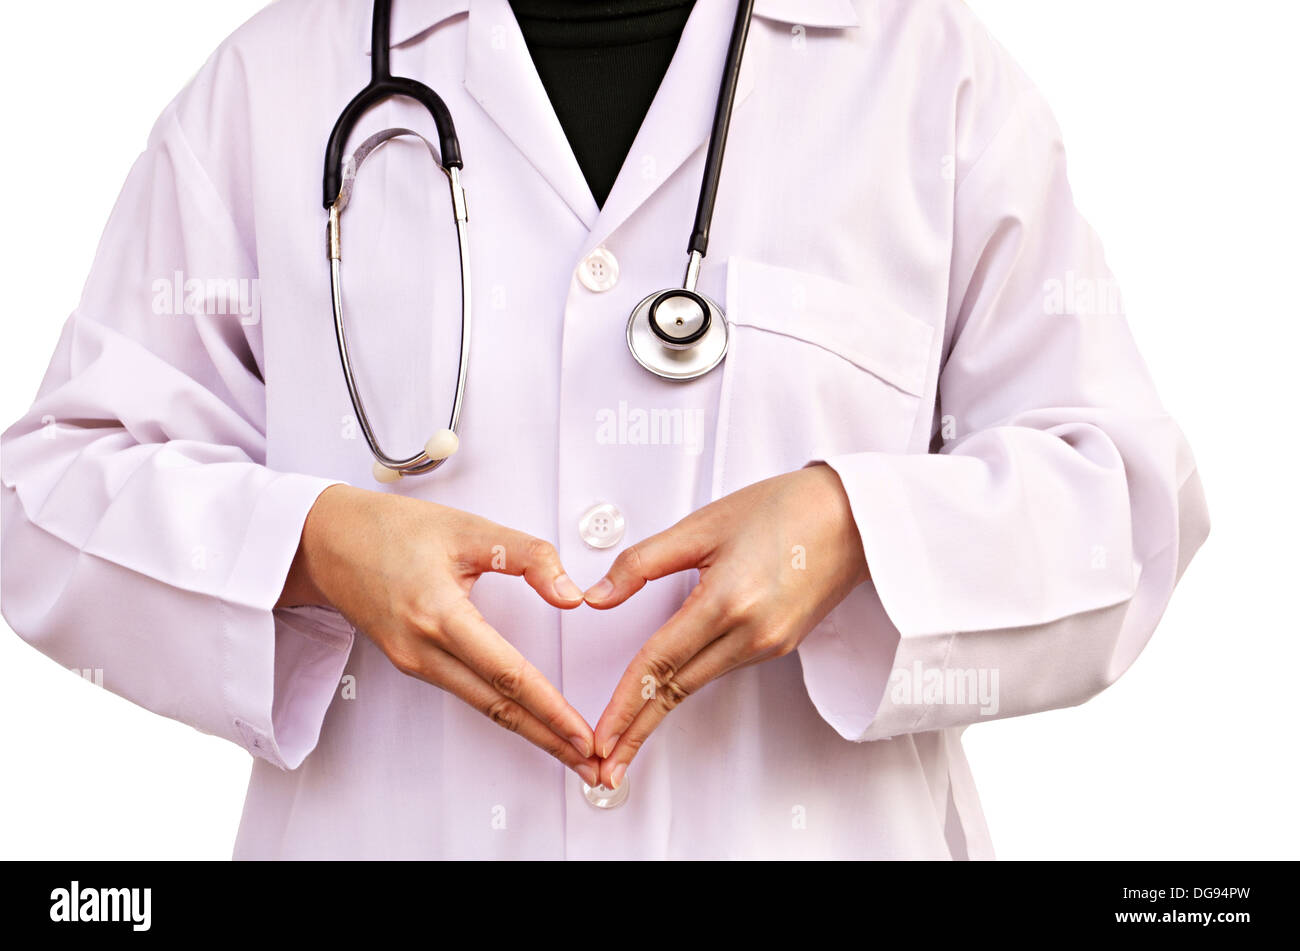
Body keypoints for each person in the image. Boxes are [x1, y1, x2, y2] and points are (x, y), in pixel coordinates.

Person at [0, 0, 1208, 860]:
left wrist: (852, 530)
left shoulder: (925, 76)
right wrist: (312, 546)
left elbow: (1123, 500)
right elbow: (49, 493)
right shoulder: (272, 83)